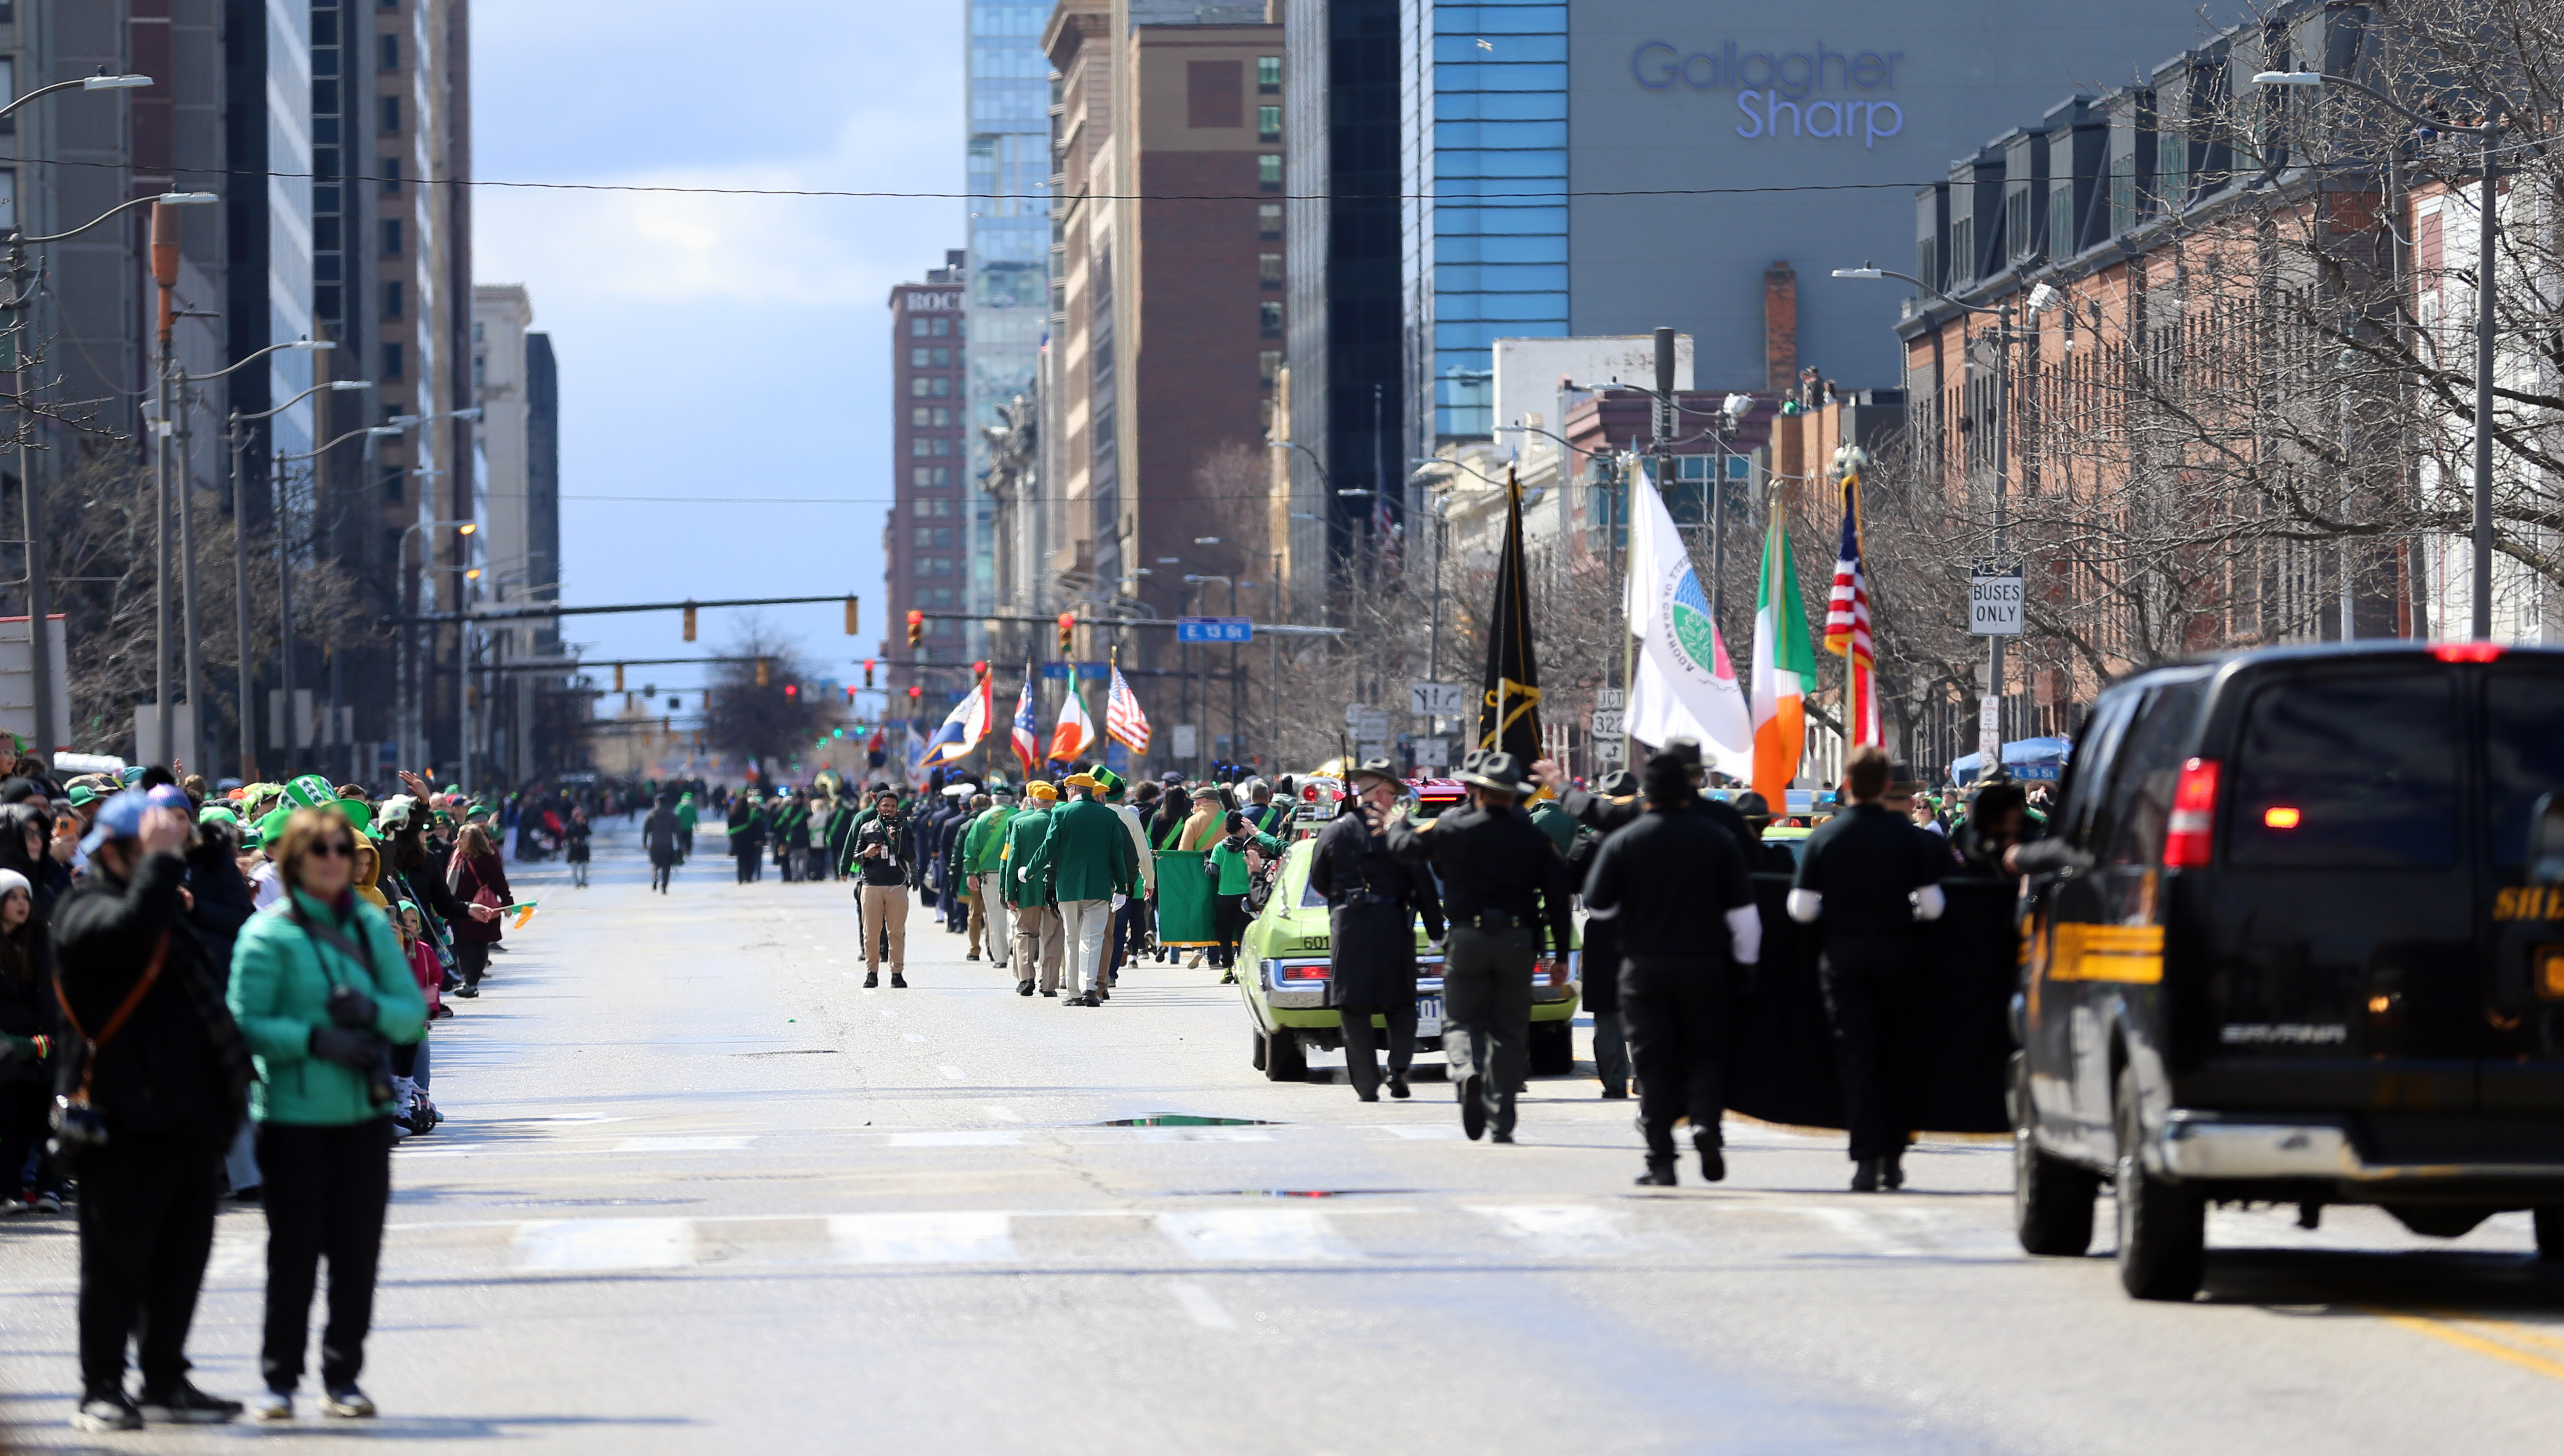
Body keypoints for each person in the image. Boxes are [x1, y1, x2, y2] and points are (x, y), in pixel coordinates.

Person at [52, 789, 253, 1430]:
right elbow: (125, 935)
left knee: (180, 1263)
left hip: (189, 1120)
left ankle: (166, 1378)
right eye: (151, 847)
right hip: (121, 1122)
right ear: (111, 851)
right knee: (115, 1266)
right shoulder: (82, 908)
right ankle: (101, 1386)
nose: (168, 857)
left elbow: (207, 1006)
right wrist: (164, 871)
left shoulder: (167, 911)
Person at [227, 807, 427, 1420]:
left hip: (363, 1116)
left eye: (344, 849)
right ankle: (279, 1380)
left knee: (356, 1252)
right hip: (292, 1116)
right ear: (294, 860)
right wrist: (314, 1039)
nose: (336, 860)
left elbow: (409, 1012)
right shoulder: (267, 934)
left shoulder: (369, 929)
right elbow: (245, 1024)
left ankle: (343, 1376)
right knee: (293, 1253)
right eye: (322, 851)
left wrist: (369, 1012)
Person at [1582, 748, 1762, 1186]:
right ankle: (1705, 1124)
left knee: (1653, 1062)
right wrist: (1745, 968)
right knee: (1705, 1052)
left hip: (1644, 968)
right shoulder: (1716, 838)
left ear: (1647, 793)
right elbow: (1744, 918)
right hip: (1705, 966)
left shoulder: (1625, 840)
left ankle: (1661, 1159)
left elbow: (1597, 905)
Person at [1375, 752, 1575, 1144]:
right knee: (1509, 1029)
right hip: (1518, 942)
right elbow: (1557, 900)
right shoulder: (1535, 839)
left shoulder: (1455, 829)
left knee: (1461, 1021)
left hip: (1468, 938)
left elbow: (1405, 849)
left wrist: (1396, 824)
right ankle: (1501, 1120)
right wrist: (1561, 957)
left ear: (1478, 791)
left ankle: (1466, 1072)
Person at [1786, 746, 1947, 1193]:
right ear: (1887, 788)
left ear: (1849, 785)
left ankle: (1864, 1159)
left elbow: (1800, 909)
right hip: (1900, 956)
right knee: (1897, 1055)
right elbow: (1933, 907)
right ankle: (1894, 1156)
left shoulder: (1825, 838)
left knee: (1857, 1057)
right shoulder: (1912, 840)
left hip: (1843, 958)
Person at [1309, 760, 1444, 1102]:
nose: (1396, 801)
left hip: (1349, 925)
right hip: (1391, 924)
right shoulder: (1400, 832)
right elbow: (1424, 886)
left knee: (1354, 1009)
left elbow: (1319, 880)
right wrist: (1436, 932)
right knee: (1399, 1004)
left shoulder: (1335, 830)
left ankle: (1367, 1085)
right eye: (1393, 794)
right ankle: (1397, 1069)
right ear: (1380, 794)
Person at [1025, 773, 1139, 1006]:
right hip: (1099, 888)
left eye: (1068, 789)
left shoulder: (1060, 813)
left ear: (1074, 790)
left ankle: (1075, 992)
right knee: (1094, 938)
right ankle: (1090, 989)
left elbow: (1049, 849)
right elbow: (1117, 854)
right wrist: (1122, 887)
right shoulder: (1108, 816)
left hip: (1068, 887)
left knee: (1072, 938)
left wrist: (1029, 871)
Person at [1567, 769, 1638, 1099]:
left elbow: (1568, 882)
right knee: (1645, 1005)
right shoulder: (1652, 836)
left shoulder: (1589, 841)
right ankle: (1645, 1078)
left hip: (1604, 932)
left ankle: (1614, 1081)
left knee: (1607, 1011)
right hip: (1646, 929)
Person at [0, 866, 67, 1214]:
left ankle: (49, 1187)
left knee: (48, 1119)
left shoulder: (41, 941)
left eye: (25, 896)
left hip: (45, 1043)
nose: (21, 903)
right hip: (8, 1050)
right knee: (10, 1122)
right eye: (12, 897)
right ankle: (9, 1190)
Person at [1002, 782, 1064, 996]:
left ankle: (1026, 977)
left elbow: (1013, 860)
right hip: (1055, 888)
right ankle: (1048, 984)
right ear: (1054, 801)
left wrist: (1010, 891)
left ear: (1034, 801)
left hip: (1026, 887)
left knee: (1025, 933)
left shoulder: (1021, 824)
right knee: (1053, 936)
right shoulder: (1061, 822)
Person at [1206, 810, 1282, 980]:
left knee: (1224, 935)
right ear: (1241, 830)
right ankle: (1241, 969)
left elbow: (1213, 872)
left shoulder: (1219, 848)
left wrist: (1206, 859)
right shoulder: (1249, 848)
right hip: (1246, 899)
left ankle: (1227, 970)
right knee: (1243, 934)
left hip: (1224, 897)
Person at [849, 789, 911, 988]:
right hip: (872, 885)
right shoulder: (867, 828)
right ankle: (872, 972)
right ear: (877, 807)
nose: (890, 809)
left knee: (897, 932)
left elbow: (912, 857)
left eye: (893, 806)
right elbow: (856, 857)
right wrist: (866, 854)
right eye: (886, 805)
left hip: (897, 885)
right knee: (872, 932)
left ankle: (897, 973)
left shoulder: (904, 829)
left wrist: (897, 842)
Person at [444, 823, 512, 996]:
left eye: (462, 838)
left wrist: (507, 903)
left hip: (482, 910)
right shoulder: (456, 857)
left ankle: (472, 983)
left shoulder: (486, 858)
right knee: (462, 947)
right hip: (460, 910)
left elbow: (500, 882)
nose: (458, 841)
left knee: (479, 947)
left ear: (473, 841)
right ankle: (467, 982)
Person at [964, 788, 1014, 969]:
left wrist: (970, 872)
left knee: (995, 916)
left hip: (990, 875)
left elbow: (971, 847)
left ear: (993, 800)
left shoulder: (982, 819)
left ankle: (1000, 957)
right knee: (1018, 915)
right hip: (1015, 872)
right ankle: (1017, 950)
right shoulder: (1018, 816)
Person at [642, 792, 682, 894]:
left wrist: (645, 843)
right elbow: (678, 831)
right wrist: (681, 844)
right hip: (668, 844)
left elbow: (646, 830)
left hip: (655, 844)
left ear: (657, 802)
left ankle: (655, 878)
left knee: (654, 864)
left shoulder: (651, 814)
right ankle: (664, 886)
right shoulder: (672, 815)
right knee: (667, 866)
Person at [564, 805, 592, 889]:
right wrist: (572, 840)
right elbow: (566, 835)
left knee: (585, 865)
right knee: (574, 866)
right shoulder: (571, 826)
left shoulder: (584, 825)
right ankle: (576, 882)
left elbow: (589, 834)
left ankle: (584, 881)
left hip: (583, 849)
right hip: (574, 849)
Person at [673, 790, 699, 863]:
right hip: (689, 827)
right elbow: (695, 817)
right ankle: (688, 851)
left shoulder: (680, 807)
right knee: (689, 840)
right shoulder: (693, 807)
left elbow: (677, 816)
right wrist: (696, 824)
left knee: (682, 840)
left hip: (681, 827)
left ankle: (683, 850)